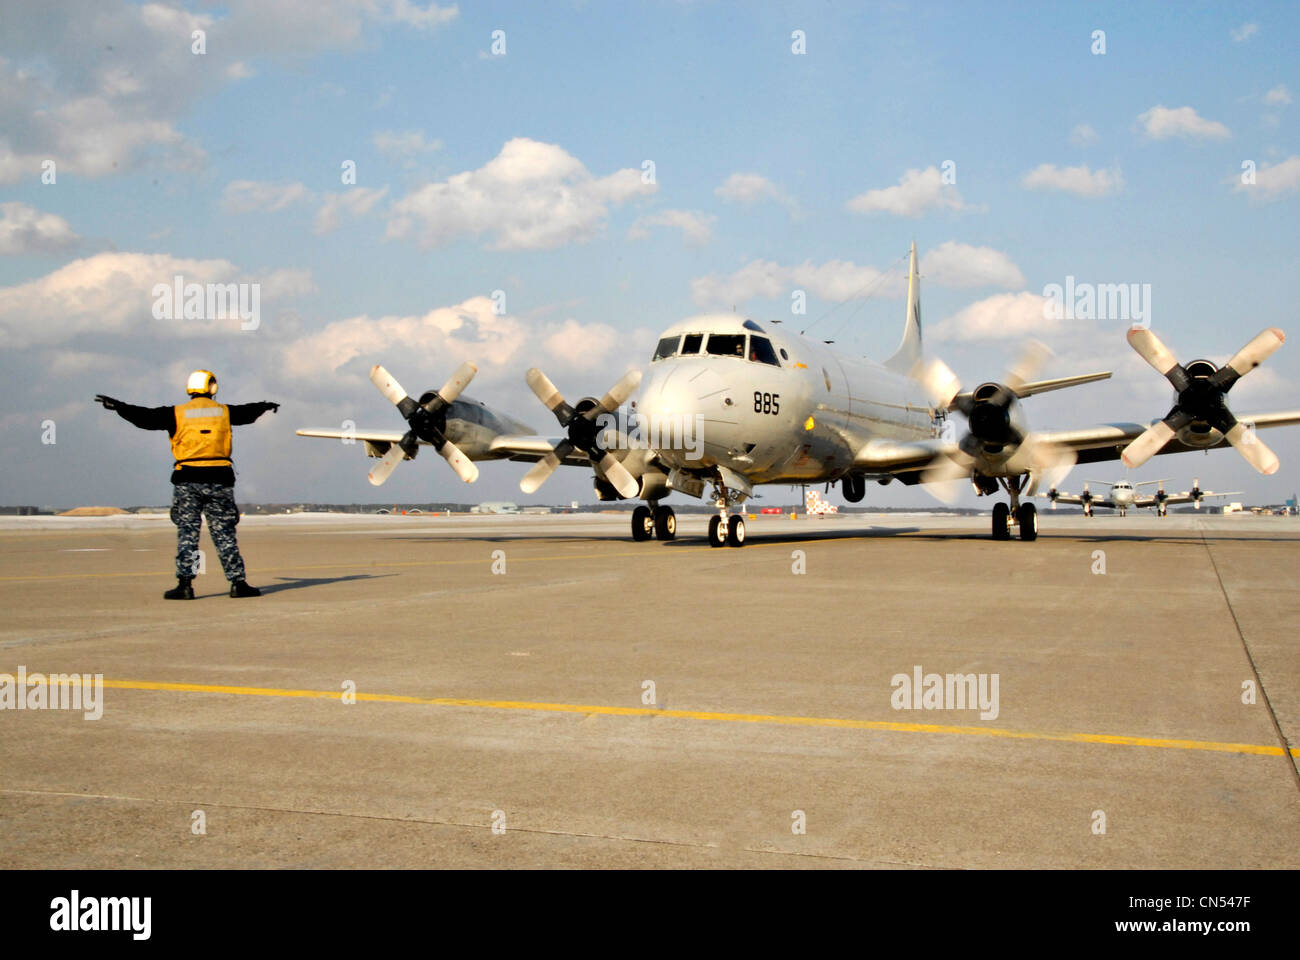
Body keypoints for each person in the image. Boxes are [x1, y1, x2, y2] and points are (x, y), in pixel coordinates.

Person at [95, 370, 279, 600]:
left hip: (187, 480)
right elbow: (247, 412)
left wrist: (119, 407)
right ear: (212, 387)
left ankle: (185, 585)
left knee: (188, 534)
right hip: (220, 480)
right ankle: (238, 583)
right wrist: (265, 405)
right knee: (224, 533)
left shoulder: (176, 413)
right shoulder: (224, 412)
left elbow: (145, 417)